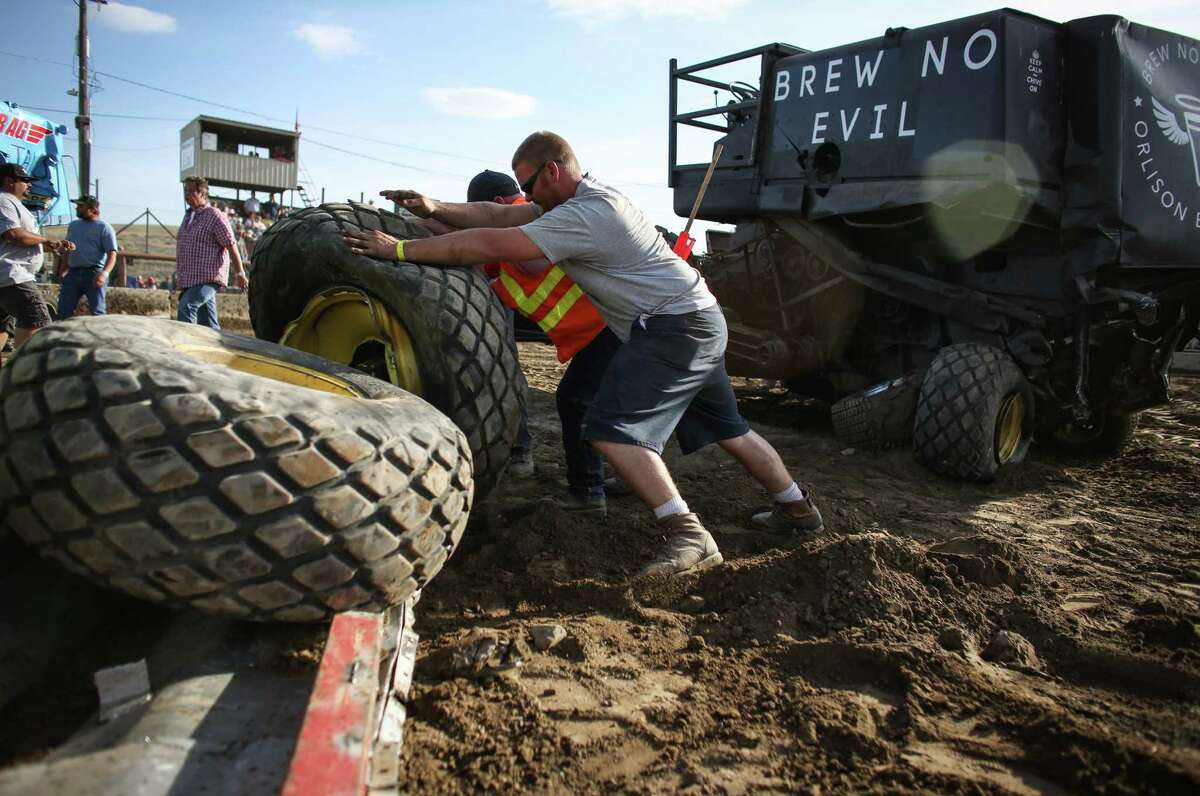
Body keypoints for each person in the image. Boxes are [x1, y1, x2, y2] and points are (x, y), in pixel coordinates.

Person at [344, 131, 824, 578]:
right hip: (695, 318)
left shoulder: (587, 216)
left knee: (612, 430)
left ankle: (688, 535)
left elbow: (490, 241)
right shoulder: (580, 202)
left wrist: (401, 250)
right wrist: (434, 206)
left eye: (530, 185)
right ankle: (797, 508)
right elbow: (494, 216)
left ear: (552, 170)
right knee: (730, 429)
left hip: (673, 326)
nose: (527, 198)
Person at [463, 169, 621, 512]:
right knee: (615, 405)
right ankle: (623, 477)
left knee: (576, 400)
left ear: (498, 205)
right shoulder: (540, 219)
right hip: (610, 326)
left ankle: (588, 492)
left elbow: (527, 260)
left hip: (609, 326)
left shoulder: (534, 226)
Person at [0, 163, 72, 352]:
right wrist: (46, 239)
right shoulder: (3, 200)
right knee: (36, 319)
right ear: (9, 181)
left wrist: (52, 244)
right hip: (13, 275)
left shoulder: (13, 204)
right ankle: (22, 377)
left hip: (10, 277)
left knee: (3, 326)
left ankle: (12, 376)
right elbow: (13, 234)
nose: (29, 185)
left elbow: (23, 240)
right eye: (25, 180)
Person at [175, 176, 247, 328]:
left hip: (208, 277)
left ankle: (187, 349)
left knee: (187, 306)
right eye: (185, 191)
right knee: (208, 325)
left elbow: (231, 245)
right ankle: (218, 346)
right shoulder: (188, 216)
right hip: (189, 278)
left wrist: (240, 274)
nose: (186, 194)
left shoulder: (215, 215)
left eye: (190, 191)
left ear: (202, 193)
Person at [57, 195, 118, 318]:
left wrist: (104, 274)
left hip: (94, 273)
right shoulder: (73, 226)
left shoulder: (104, 228)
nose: (77, 208)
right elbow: (68, 249)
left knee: (97, 312)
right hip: (73, 273)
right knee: (64, 311)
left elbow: (112, 253)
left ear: (92, 209)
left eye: (80, 206)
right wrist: (63, 269)